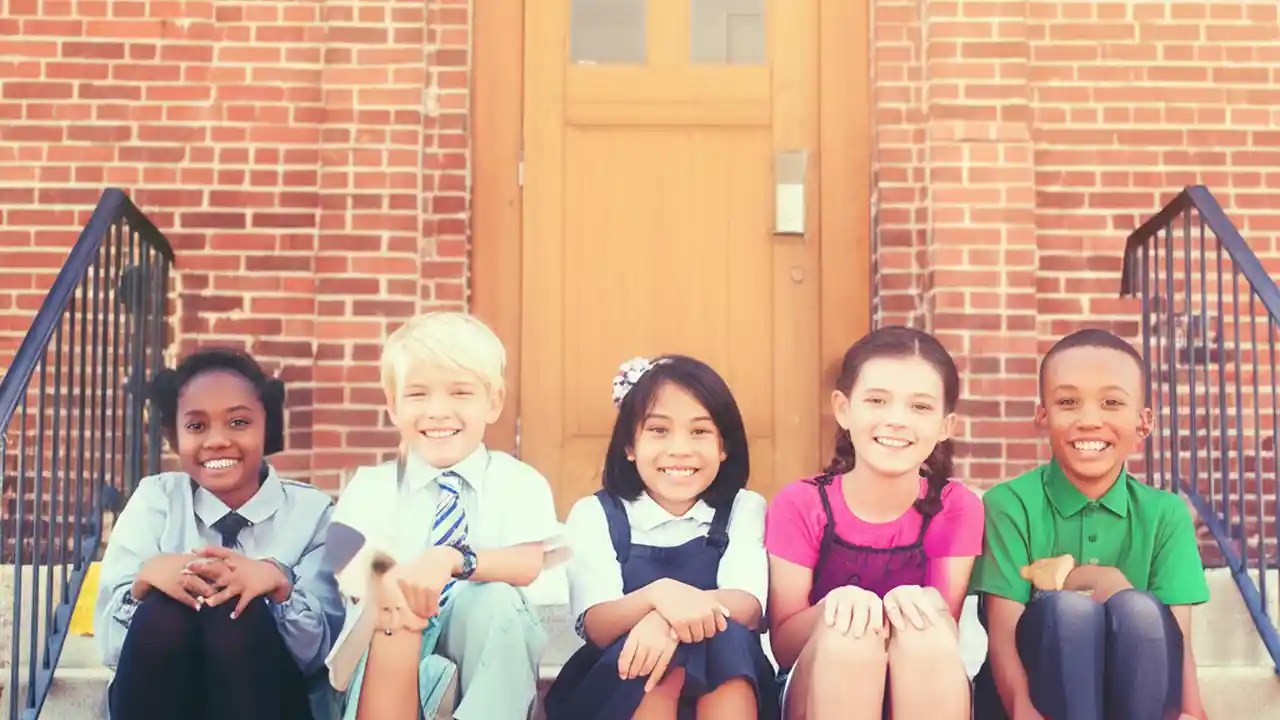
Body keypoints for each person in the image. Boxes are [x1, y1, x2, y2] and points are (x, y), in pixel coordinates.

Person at [970, 328, 1210, 720]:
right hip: (1033, 700)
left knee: (1139, 610)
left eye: (1112, 402)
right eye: (1068, 402)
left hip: (1136, 699)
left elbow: (1175, 638)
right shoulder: (1009, 504)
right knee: (1069, 613)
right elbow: (1002, 638)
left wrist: (1191, 711)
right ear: (1043, 415)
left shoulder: (1164, 513)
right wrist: (1021, 711)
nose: (1089, 420)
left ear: (1143, 422)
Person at [330, 312, 559, 720]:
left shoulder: (518, 481)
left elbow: (527, 563)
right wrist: (405, 583)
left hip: (483, 645)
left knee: (498, 598)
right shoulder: (370, 486)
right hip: (392, 646)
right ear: (392, 405)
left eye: (459, 393)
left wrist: (451, 558)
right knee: (392, 604)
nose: (438, 411)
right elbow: (347, 568)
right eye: (418, 394)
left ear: (494, 402)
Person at [96, 348, 343, 720]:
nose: (216, 440)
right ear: (174, 436)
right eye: (196, 426)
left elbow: (318, 659)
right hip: (163, 696)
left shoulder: (314, 514)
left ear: (268, 427)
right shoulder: (155, 500)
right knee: (166, 604)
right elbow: (112, 652)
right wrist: (144, 582)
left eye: (239, 423)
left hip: (267, 701)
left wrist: (279, 587)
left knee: (234, 608)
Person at [765, 326, 982, 720]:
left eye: (919, 407)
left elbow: (944, 631)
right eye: (877, 400)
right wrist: (834, 610)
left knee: (924, 627)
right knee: (852, 636)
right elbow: (783, 646)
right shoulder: (801, 503)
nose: (896, 420)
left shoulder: (957, 507)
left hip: (923, 680)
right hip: (821, 682)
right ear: (844, 409)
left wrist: (916, 609)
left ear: (945, 426)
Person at [544, 355, 777, 720]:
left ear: (724, 446)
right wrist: (658, 595)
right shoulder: (596, 514)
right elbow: (599, 625)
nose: (680, 448)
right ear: (630, 446)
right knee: (655, 659)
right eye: (658, 430)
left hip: (726, 678)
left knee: (728, 637)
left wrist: (666, 619)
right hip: (622, 684)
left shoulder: (744, 508)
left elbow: (747, 607)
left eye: (699, 431)